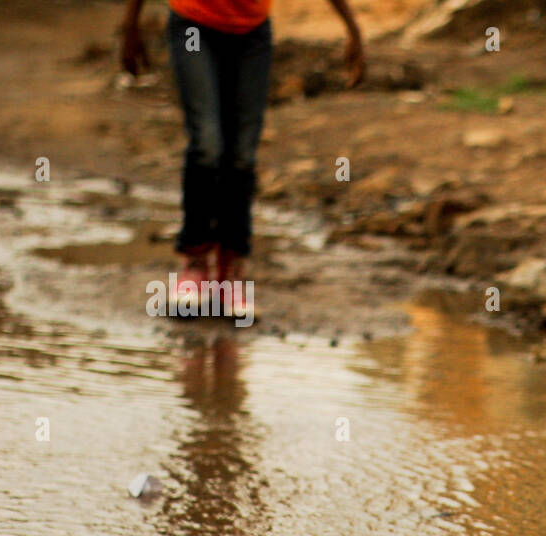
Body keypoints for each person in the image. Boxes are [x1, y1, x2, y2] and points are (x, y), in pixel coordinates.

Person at [120, 0, 365, 315]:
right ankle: (194, 263)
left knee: (242, 154)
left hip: (251, 34)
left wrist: (353, 30)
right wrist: (130, 26)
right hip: (194, 25)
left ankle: (231, 272)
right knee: (207, 143)